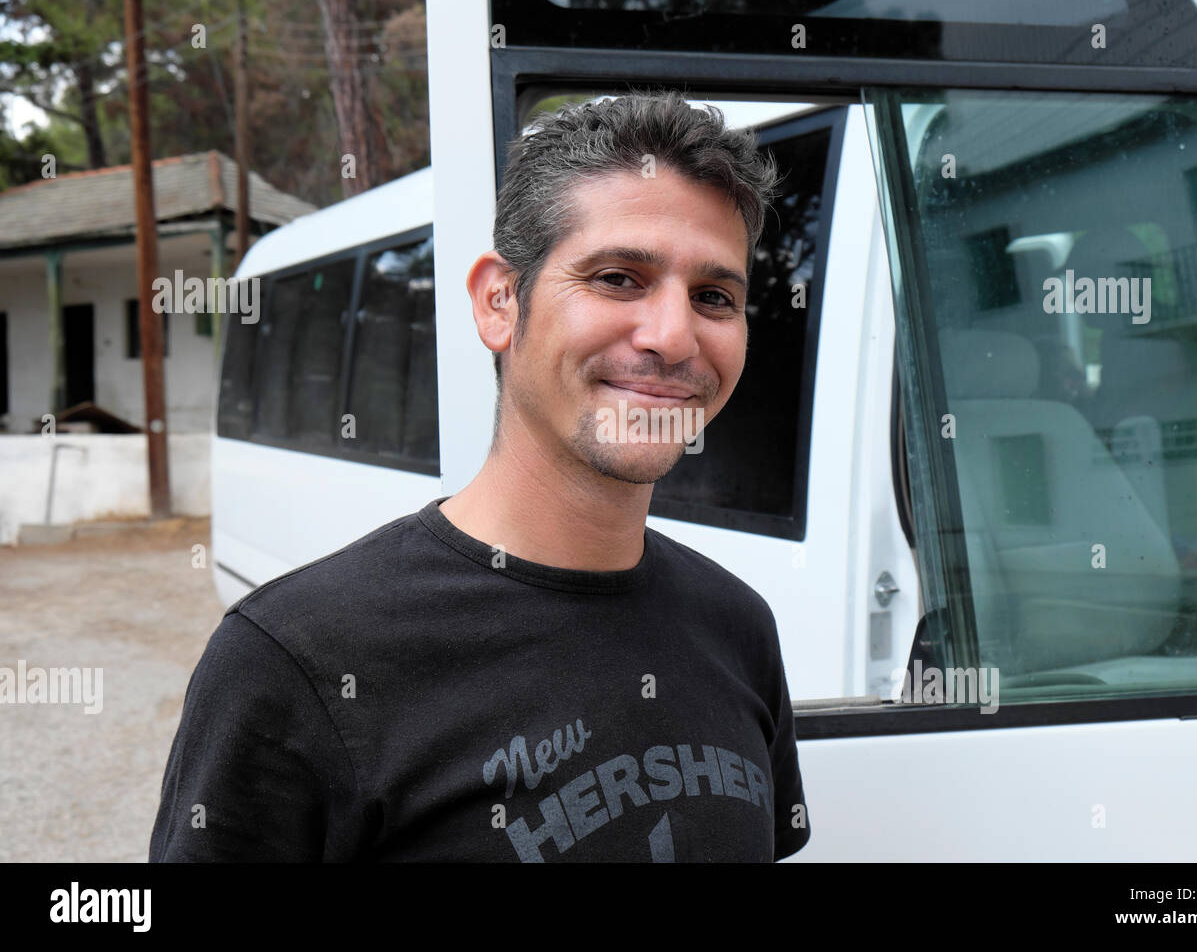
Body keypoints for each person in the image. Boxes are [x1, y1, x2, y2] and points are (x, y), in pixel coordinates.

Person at [150, 90, 811, 862]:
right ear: (499, 302)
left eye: (714, 297)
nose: (672, 336)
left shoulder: (739, 628)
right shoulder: (294, 662)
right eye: (618, 278)